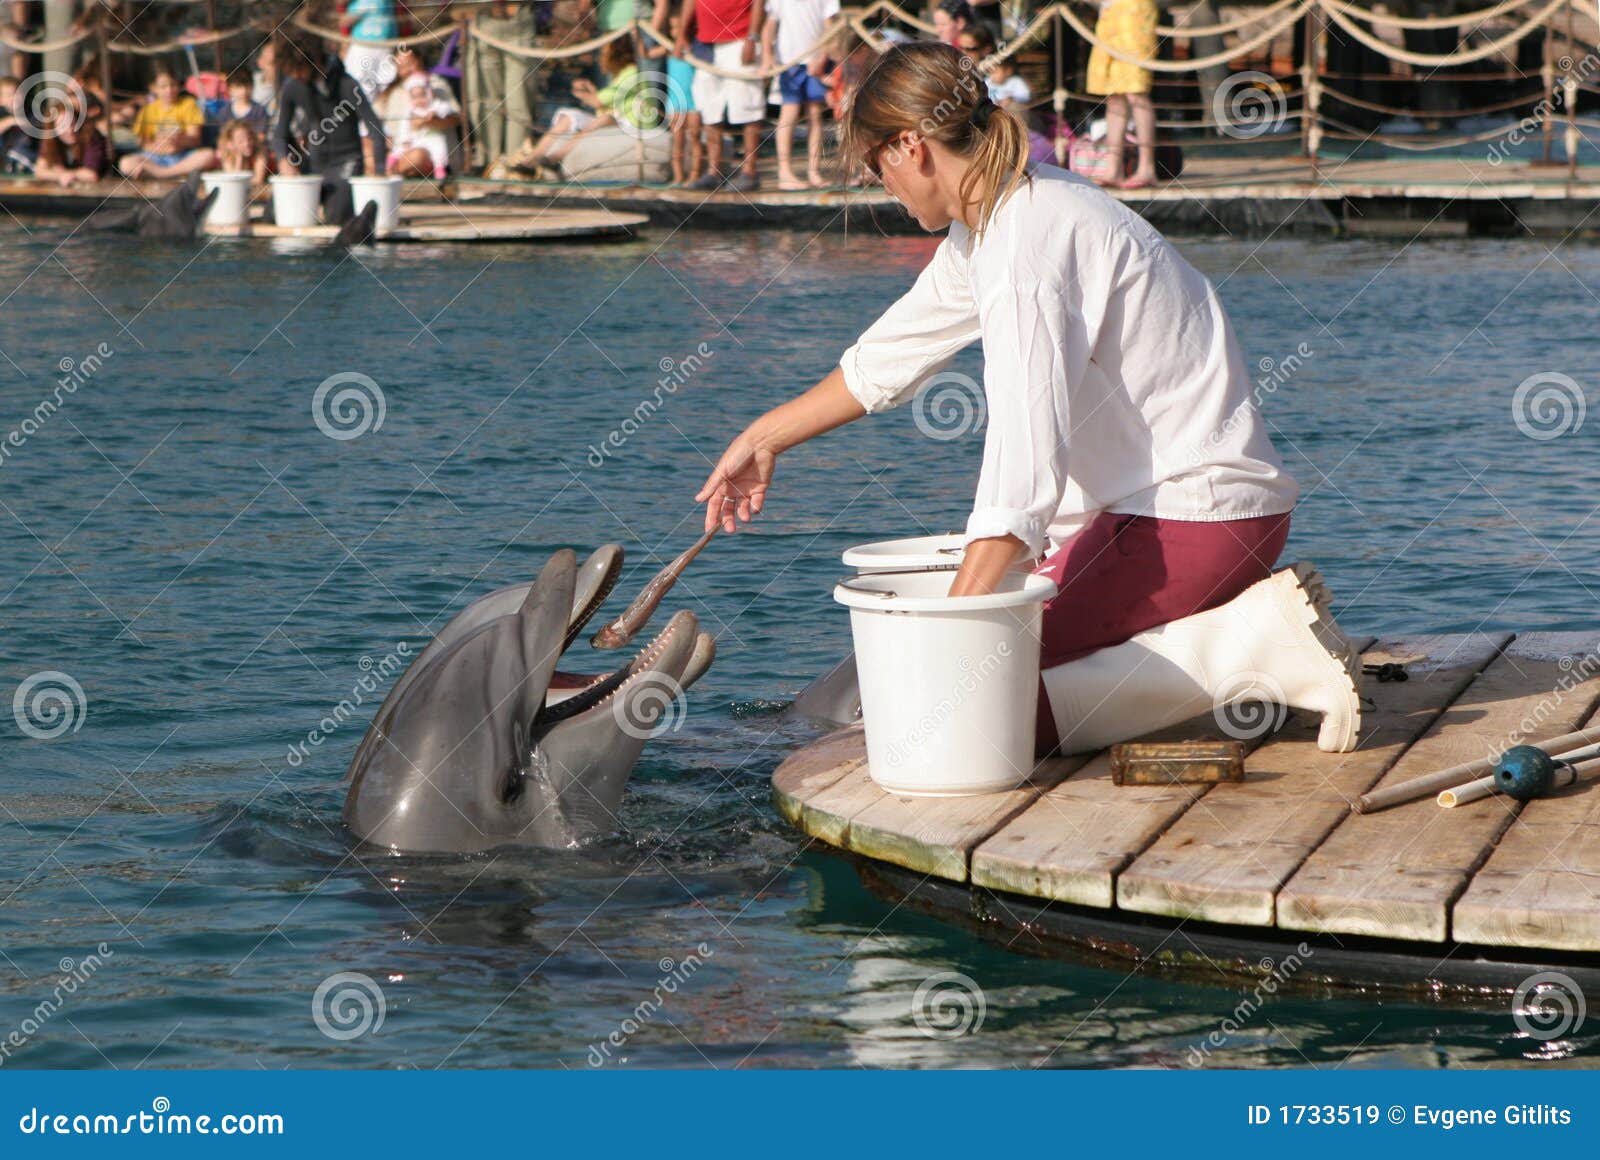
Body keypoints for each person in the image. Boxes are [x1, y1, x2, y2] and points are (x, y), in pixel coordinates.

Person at [694, 42, 1361, 763]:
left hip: (1192, 521)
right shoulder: (1004, 213)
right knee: (892, 688)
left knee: (955, 716)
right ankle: (1218, 642)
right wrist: (766, 437)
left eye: (872, 164)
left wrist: (953, 644)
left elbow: (1022, 476)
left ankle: (1250, 653)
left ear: (912, 147)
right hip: (1151, 517)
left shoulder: (1024, 251)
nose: (876, 183)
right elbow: (891, 356)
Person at [271, 30, 388, 223]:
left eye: (300, 69)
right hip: (314, 164)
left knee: (337, 216)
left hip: (346, 162)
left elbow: (375, 129)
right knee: (276, 214)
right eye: (292, 71)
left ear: (315, 62)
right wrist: (284, 160)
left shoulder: (346, 85)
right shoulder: (293, 86)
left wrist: (380, 170)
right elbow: (280, 134)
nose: (296, 75)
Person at [512, 37, 658, 177]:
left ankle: (555, 158)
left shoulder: (632, 73)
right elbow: (605, 100)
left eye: (603, 53)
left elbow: (597, 102)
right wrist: (587, 90)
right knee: (568, 118)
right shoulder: (621, 74)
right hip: (620, 120)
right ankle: (531, 160)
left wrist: (580, 91)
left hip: (634, 125)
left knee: (605, 119)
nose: (600, 57)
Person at [677, 0, 765, 192]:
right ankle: (714, 171)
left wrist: (752, 37)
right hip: (705, 41)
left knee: (747, 105)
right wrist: (682, 33)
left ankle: (750, 171)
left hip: (740, 38)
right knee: (709, 107)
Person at [762, 0, 836, 190]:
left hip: (815, 60)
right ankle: (784, 172)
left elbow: (830, 27)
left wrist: (822, 58)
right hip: (789, 61)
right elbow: (770, 24)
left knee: (815, 115)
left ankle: (814, 171)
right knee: (790, 112)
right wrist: (767, 55)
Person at [1086, 0, 1158, 189]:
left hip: (1135, 10)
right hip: (1110, 11)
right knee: (1114, 96)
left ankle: (1146, 168)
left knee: (1136, 92)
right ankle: (1113, 169)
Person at [468, 0, 538, 177]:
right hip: (484, 20)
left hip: (519, 20)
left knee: (519, 102)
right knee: (487, 102)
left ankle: (516, 166)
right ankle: (491, 166)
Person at [380, 47, 462, 178]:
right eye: (401, 67)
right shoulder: (395, 92)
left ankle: (386, 173)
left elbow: (456, 118)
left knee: (417, 156)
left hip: (432, 151)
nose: (406, 70)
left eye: (409, 65)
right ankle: (390, 171)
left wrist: (430, 122)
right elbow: (388, 130)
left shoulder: (437, 85)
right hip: (403, 149)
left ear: (419, 61)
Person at [119, 69, 214, 178]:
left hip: (182, 155)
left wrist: (179, 141)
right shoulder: (148, 109)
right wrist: (159, 147)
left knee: (208, 155)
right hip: (156, 157)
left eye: (173, 85)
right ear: (154, 88)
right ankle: (165, 172)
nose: (169, 90)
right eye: (163, 87)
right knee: (125, 163)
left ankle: (163, 173)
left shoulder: (188, 104)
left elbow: (195, 139)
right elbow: (142, 142)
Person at [651, 6, 703, 185]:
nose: (675, 32)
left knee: (695, 137)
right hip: (675, 99)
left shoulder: (696, 49)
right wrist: (637, 33)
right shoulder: (668, 48)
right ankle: (678, 176)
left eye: (679, 27)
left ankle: (695, 175)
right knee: (678, 139)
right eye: (672, 28)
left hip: (694, 99)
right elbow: (646, 53)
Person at [386, 74, 452, 178]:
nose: (419, 100)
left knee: (439, 148)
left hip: (432, 136)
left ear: (428, 94)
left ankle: (439, 168)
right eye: (415, 97)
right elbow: (404, 127)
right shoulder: (410, 112)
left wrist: (435, 113)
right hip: (415, 139)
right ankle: (391, 162)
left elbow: (447, 109)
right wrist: (405, 140)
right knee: (399, 148)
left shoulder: (434, 106)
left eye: (422, 95)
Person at [34, 97, 109, 186]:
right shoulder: (50, 140)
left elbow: (91, 175)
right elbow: (39, 171)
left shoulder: (91, 137)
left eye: (72, 124)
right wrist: (60, 176)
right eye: (62, 126)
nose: (69, 130)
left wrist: (62, 173)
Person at [342, 0, 399, 101]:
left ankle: (377, 109)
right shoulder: (357, 3)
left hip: (384, 46)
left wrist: (395, 44)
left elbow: (393, 22)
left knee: (384, 80)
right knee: (361, 79)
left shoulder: (388, 3)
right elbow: (345, 21)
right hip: (362, 45)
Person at [215, 117, 269, 185]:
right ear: (230, 143)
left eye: (249, 139)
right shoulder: (227, 155)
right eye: (241, 141)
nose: (247, 144)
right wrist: (239, 158)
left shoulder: (260, 153)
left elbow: (258, 180)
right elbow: (234, 181)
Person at [225, 72, 269, 138]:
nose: (244, 91)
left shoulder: (259, 111)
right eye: (239, 86)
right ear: (230, 89)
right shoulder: (224, 112)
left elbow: (261, 136)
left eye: (247, 86)